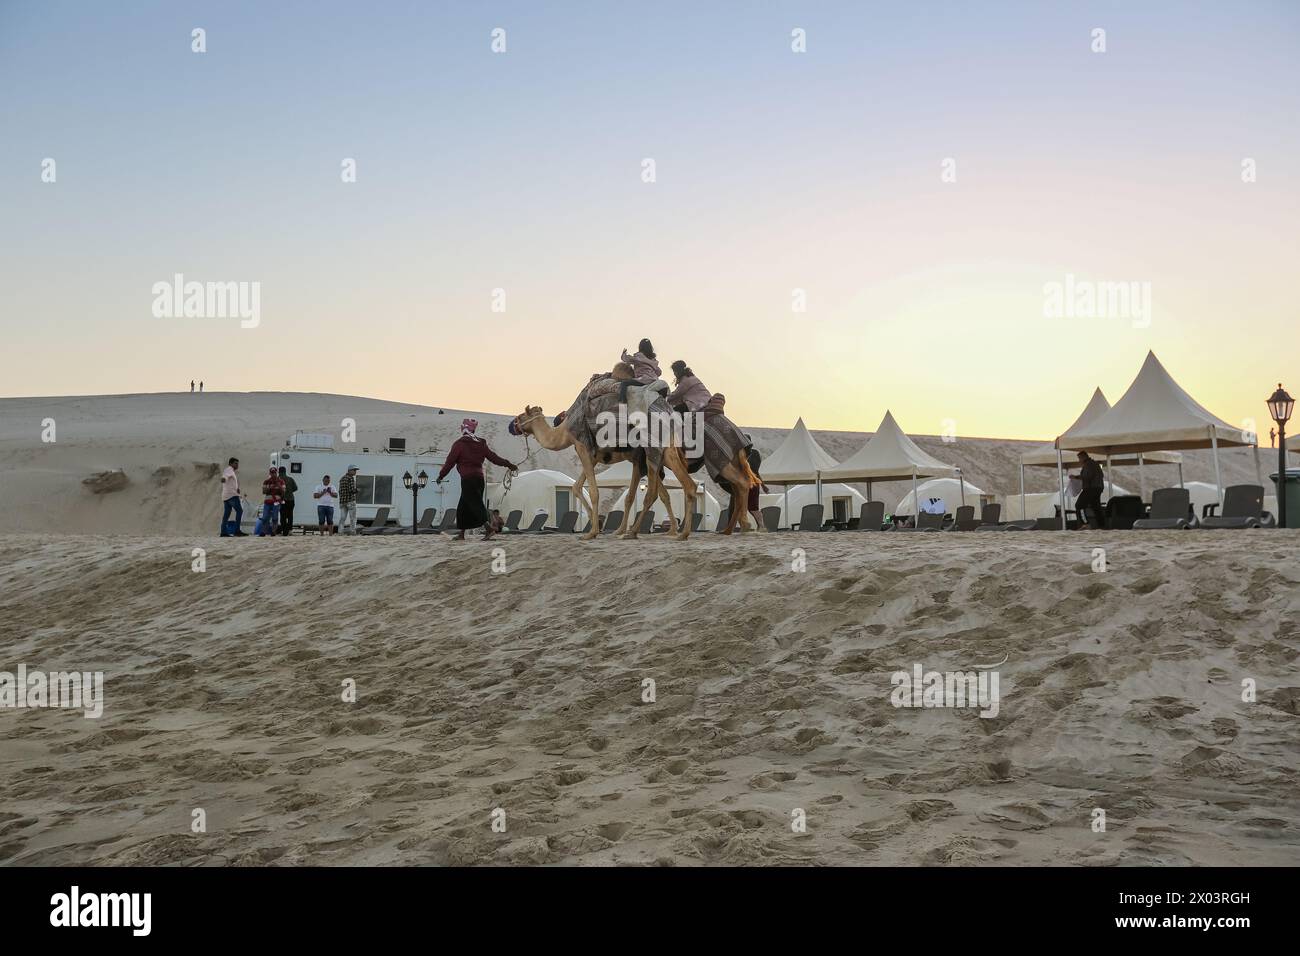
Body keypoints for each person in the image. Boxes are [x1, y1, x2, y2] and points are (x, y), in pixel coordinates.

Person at [437, 419, 517, 540]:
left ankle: (489, 529)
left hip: (468, 480)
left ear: (463, 429)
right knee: (463, 507)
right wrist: (508, 464)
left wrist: (441, 476)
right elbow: (494, 458)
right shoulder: (481, 443)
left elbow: (449, 463)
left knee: (476, 505)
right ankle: (461, 534)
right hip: (479, 480)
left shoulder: (459, 444)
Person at [1071, 451, 1107, 529]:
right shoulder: (1094, 464)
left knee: (1079, 505)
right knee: (1096, 507)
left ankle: (1085, 524)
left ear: (1083, 457)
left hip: (1091, 488)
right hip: (1098, 488)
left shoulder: (1088, 464)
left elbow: (1088, 476)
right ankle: (1102, 526)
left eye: (1079, 458)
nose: (1079, 460)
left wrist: (1076, 477)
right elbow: (1100, 475)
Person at [219, 457, 247, 536]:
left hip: (226, 495)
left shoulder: (231, 471)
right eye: (235, 463)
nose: (237, 465)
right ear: (231, 463)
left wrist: (237, 488)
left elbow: (229, 481)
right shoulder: (229, 469)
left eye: (237, 463)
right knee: (239, 511)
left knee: (226, 514)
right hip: (232, 495)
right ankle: (237, 530)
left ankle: (223, 532)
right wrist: (223, 479)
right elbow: (225, 476)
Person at [258, 467, 284, 536]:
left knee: (275, 517)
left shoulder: (281, 481)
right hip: (267, 502)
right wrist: (270, 488)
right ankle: (263, 531)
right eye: (272, 473)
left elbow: (283, 492)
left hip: (276, 502)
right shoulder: (266, 481)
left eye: (274, 473)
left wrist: (279, 486)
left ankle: (273, 531)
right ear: (270, 473)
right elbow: (263, 492)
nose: (273, 474)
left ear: (276, 473)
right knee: (265, 517)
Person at [337, 465, 359, 535]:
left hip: (342, 501)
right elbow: (351, 490)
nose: (355, 472)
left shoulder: (342, 478)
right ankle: (352, 531)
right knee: (353, 518)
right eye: (354, 470)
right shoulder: (351, 478)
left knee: (342, 518)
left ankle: (340, 531)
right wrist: (357, 490)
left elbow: (340, 491)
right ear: (349, 471)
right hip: (350, 501)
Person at [277, 466, 298, 535]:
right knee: (290, 515)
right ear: (285, 471)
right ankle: (290, 530)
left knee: (283, 516)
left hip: (283, 500)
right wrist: (290, 491)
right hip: (291, 499)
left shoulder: (278, 480)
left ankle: (284, 530)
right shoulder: (290, 479)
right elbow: (295, 488)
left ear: (279, 472)